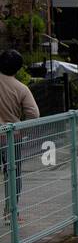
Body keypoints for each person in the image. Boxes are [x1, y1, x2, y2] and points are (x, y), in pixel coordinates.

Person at [0, 49, 38, 224]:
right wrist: (23, 131)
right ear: (17, 68)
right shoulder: (21, 88)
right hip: (11, 137)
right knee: (13, 174)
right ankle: (10, 213)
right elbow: (33, 114)